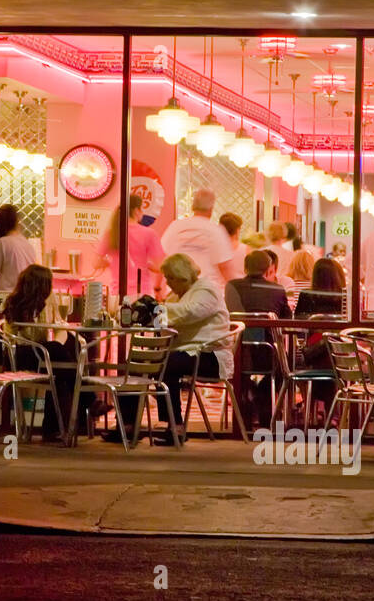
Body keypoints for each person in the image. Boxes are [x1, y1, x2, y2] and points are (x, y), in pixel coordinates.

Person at [115, 253, 234, 446]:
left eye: (170, 277)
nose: (168, 283)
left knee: (166, 364)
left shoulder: (207, 290)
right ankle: (126, 424)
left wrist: (159, 309)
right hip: (185, 352)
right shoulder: (176, 294)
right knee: (135, 364)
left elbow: (190, 312)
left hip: (209, 355)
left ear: (182, 276)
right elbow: (166, 316)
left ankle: (175, 426)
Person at [1, 264, 86, 442]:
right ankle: (87, 400)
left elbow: (57, 325)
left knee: (61, 368)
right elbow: (22, 337)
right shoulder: (15, 303)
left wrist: (58, 340)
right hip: (20, 355)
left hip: (40, 354)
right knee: (55, 353)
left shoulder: (47, 302)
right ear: (40, 285)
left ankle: (53, 428)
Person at [225, 249, 292, 430]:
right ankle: (263, 401)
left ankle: (247, 406)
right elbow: (287, 320)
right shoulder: (277, 289)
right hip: (268, 352)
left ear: (245, 267)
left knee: (245, 370)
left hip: (238, 352)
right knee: (284, 368)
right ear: (269, 269)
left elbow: (228, 316)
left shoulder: (231, 286)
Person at [294, 257, 347, 419]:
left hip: (312, 355)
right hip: (341, 357)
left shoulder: (307, 295)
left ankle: (310, 407)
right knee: (332, 351)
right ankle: (334, 413)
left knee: (308, 358)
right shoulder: (344, 297)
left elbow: (297, 325)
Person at [160, 188, 235, 291]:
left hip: (177, 291)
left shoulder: (175, 226)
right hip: (206, 292)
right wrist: (236, 293)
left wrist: (158, 287)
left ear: (193, 206)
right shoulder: (216, 231)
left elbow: (162, 257)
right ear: (211, 209)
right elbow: (225, 268)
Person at [95, 193, 163, 297]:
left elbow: (96, 263)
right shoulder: (149, 234)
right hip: (142, 293)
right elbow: (159, 266)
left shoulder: (112, 233)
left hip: (117, 293)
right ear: (136, 211)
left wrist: (111, 262)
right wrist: (147, 264)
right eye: (141, 209)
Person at [0, 204, 38, 290]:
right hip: (26, 297)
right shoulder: (27, 244)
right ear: (16, 222)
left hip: (8, 297)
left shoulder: (0, 243)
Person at [218, 212, 249, 281]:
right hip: (239, 289)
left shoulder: (215, 248)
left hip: (218, 289)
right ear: (237, 230)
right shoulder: (246, 249)